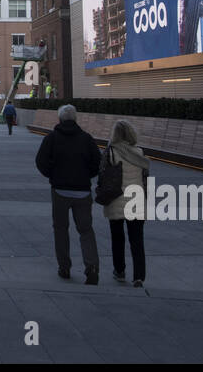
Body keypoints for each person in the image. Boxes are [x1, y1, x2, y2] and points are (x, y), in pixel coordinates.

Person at [34, 104, 101, 283]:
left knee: (61, 229)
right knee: (86, 230)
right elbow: (97, 163)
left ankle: (64, 267)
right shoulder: (86, 139)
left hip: (60, 191)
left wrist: (53, 176)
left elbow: (40, 161)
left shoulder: (52, 138)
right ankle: (92, 266)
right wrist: (87, 175)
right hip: (82, 191)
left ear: (60, 119)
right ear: (75, 119)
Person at [100, 120, 151, 288]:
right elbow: (145, 179)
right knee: (137, 239)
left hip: (116, 199)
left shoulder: (110, 152)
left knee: (117, 237)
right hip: (136, 200)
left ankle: (120, 271)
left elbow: (103, 175)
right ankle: (139, 277)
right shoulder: (140, 152)